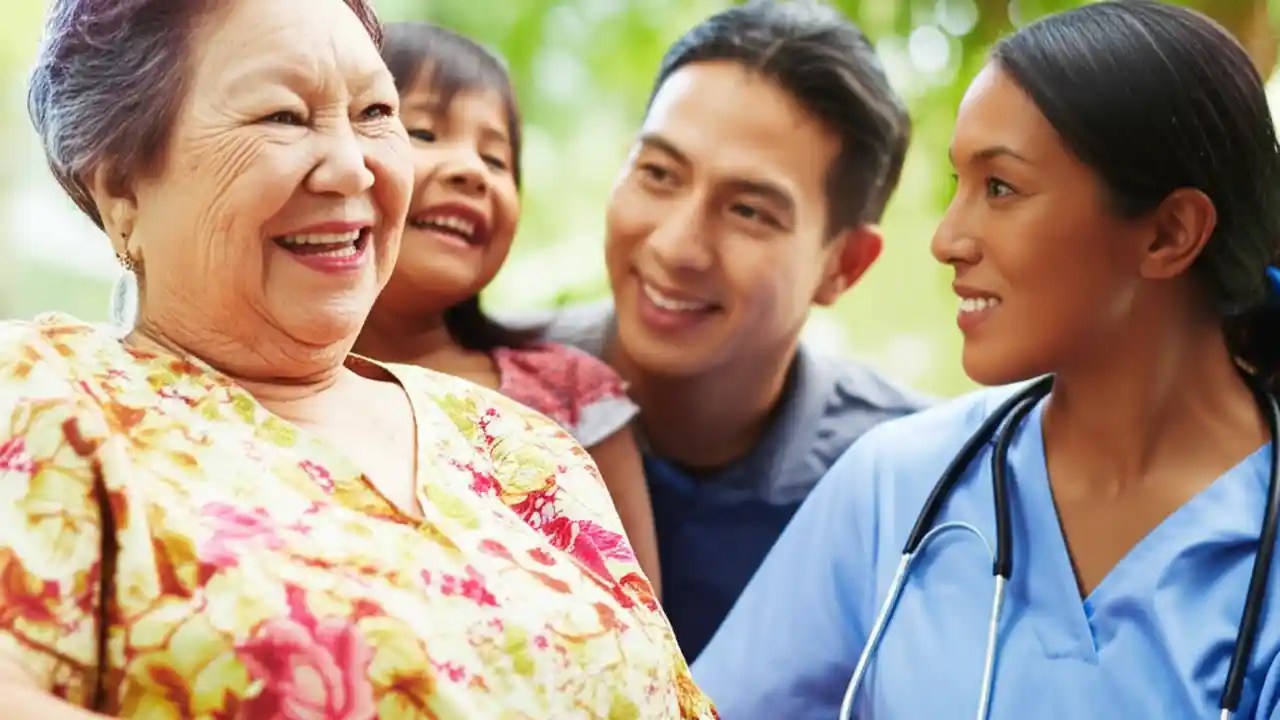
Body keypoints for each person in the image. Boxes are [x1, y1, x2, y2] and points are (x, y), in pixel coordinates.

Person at [1, 0, 718, 717]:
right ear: (121, 184)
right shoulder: (45, 390)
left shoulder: (527, 451)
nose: (353, 168)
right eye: (282, 117)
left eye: (377, 112)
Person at [692, 1, 1280, 718]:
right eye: (957, 187)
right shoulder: (896, 486)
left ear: (1168, 233)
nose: (946, 239)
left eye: (999, 188)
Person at [525, 0, 929, 661]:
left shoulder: (910, 489)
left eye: (748, 211)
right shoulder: (476, 395)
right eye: (658, 174)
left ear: (843, 265)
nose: (678, 245)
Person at [353, 23, 661, 593]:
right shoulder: (256, 385)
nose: (472, 170)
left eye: (496, 160)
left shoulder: (570, 396)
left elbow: (645, 626)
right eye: (423, 131)